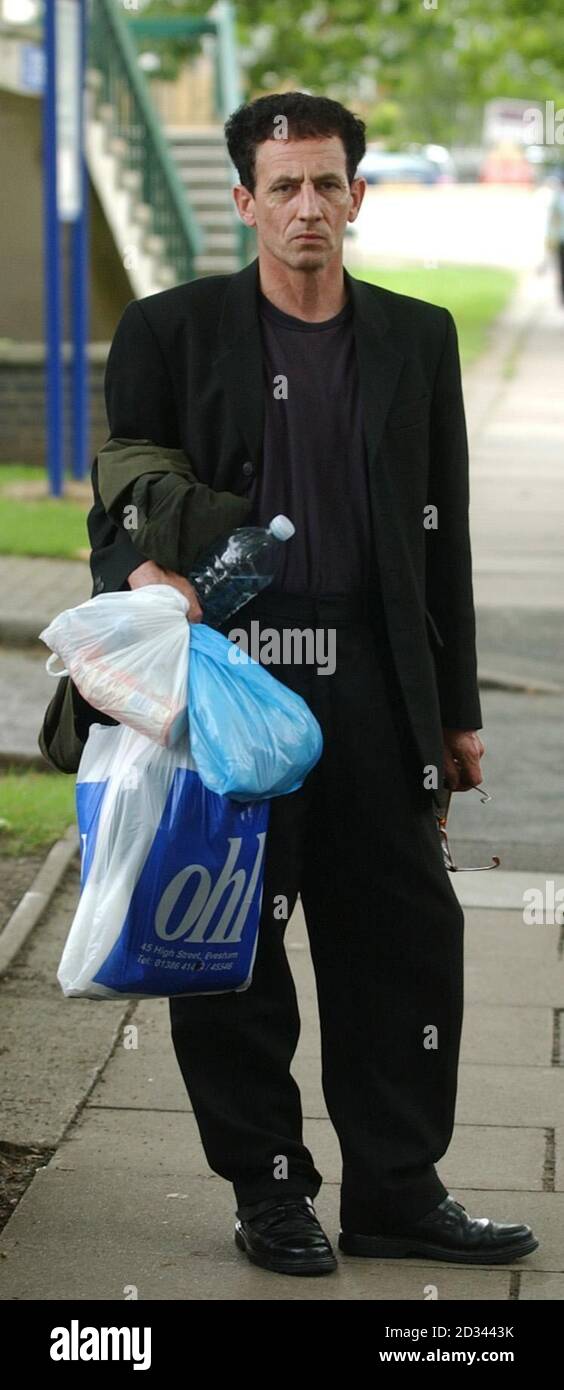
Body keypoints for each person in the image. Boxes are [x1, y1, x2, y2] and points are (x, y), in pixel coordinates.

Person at [86, 92, 538, 1276]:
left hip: (373, 675)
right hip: (232, 680)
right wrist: (140, 568)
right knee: (230, 945)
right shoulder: (171, 331)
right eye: (283, 186)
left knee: (404, 939)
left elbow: (443, 538)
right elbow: (117, 504)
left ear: (358, 196)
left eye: (327, 183)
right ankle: (271, 1189)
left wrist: (456, 711)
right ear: (245, 201)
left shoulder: (416, 337)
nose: (307, 207)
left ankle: (397, 1190)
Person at [545, 168, 564, 302]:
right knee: (561, 268)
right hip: (561, 240)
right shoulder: (558, 198)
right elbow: (553, 219)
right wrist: (550, 238)